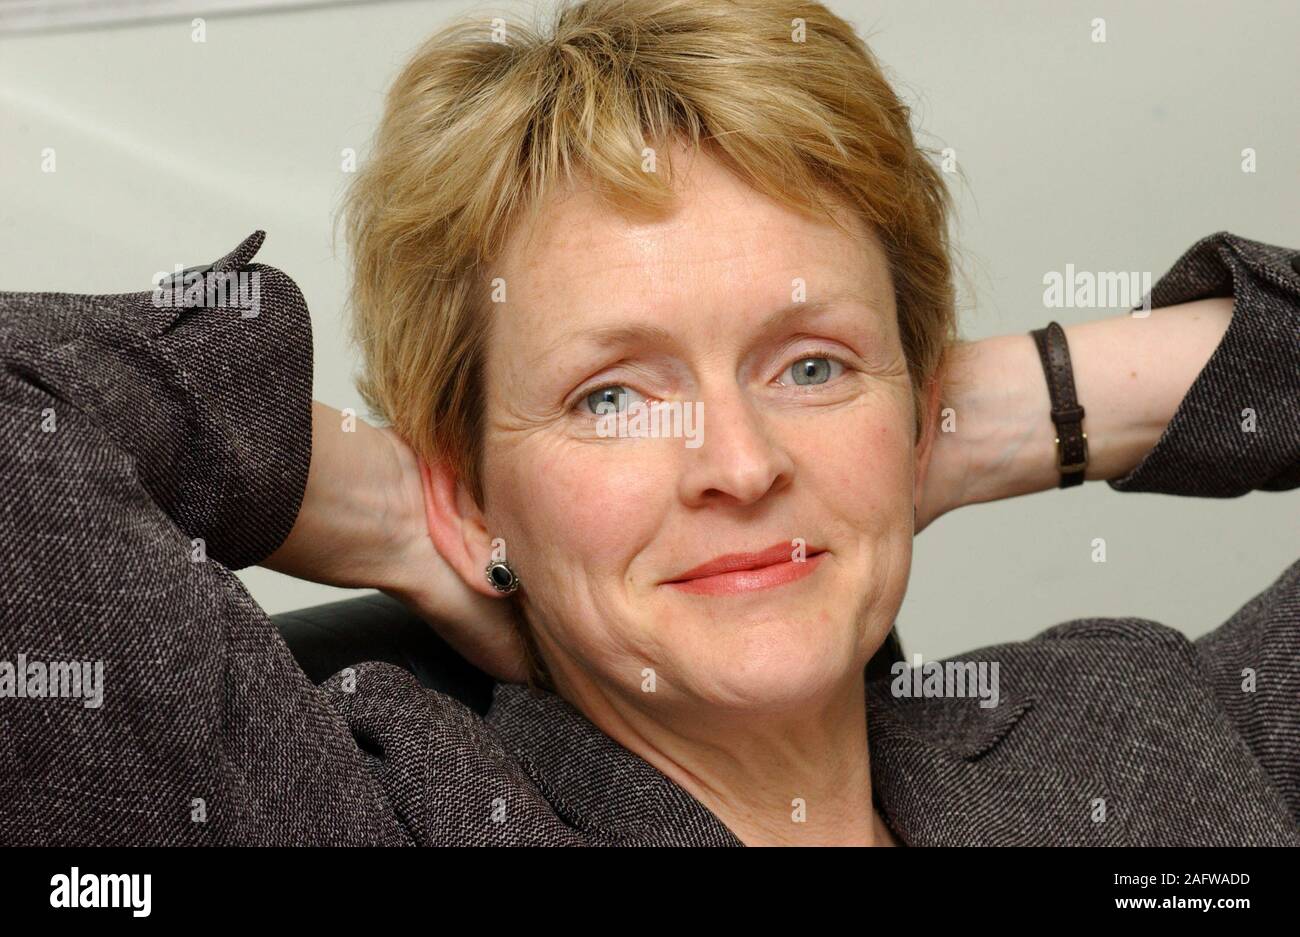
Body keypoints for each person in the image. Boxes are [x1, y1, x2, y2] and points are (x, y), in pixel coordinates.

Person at [1, 0, 1295, 846]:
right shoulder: (367, 815)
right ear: (469, 491)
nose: (739, 463)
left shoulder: (1149, 729)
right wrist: (404, 504)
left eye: (810, 365)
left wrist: (1024, 407)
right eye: (611, 396)